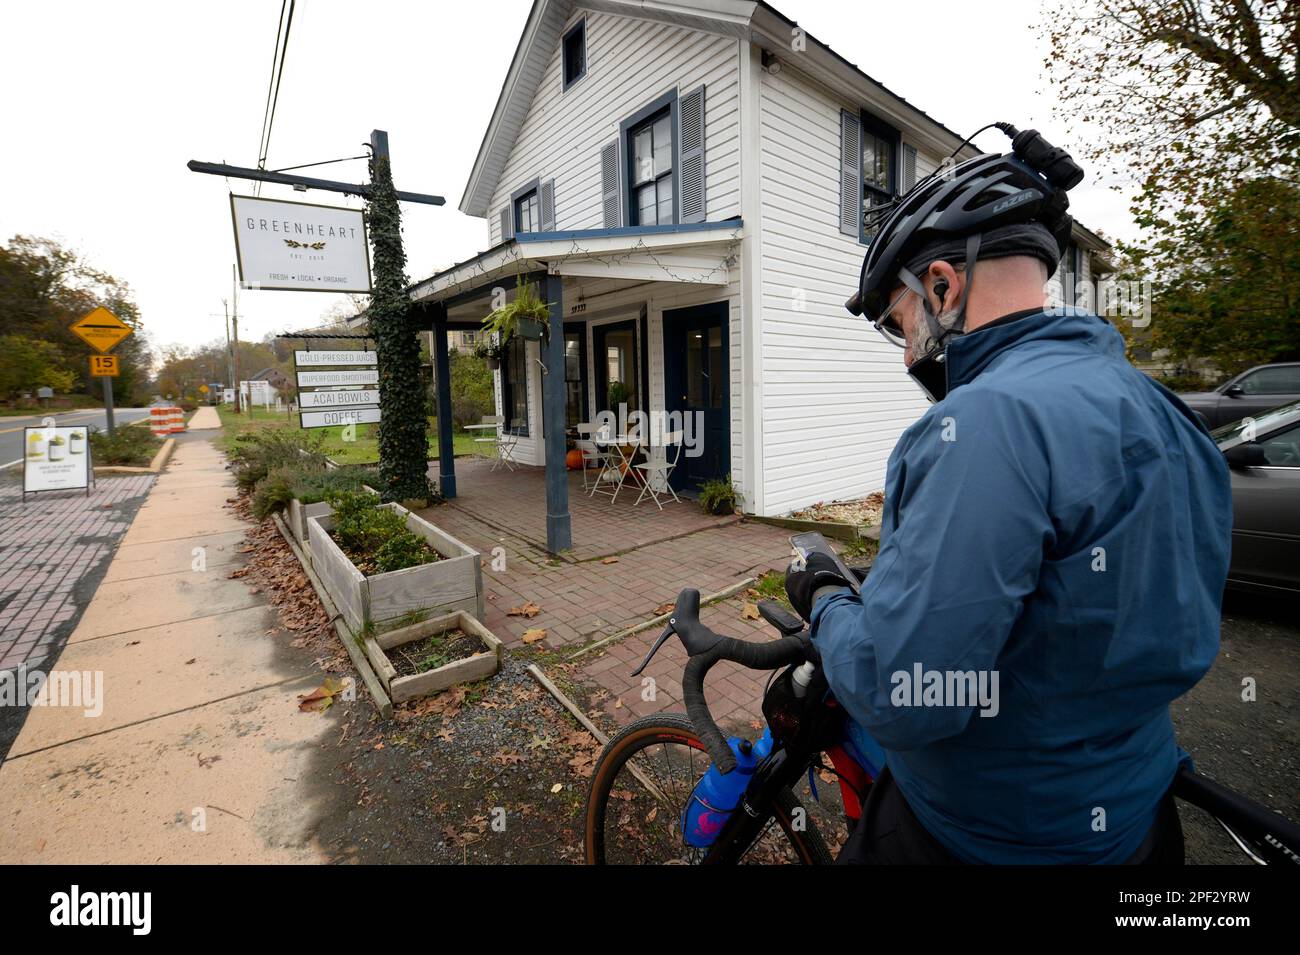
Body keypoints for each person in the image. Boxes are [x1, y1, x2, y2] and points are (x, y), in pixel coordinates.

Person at [784, 128, 1232, 864]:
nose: (906, 354)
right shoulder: (1163, 409)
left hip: (984, 834)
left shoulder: (982, 422)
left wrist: (826, 595)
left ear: (941, 284)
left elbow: (912, 692)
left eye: (900, 323)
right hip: (1140, 818)